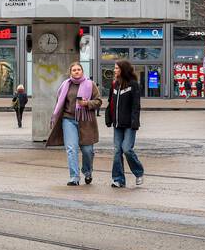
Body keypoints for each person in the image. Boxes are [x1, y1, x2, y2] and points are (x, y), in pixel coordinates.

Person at [46, 62, 102, 186]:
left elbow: (98, 101)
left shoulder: (90, 84)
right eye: (74, 70)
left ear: (82, 71)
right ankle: (74, 177)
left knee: (88, 151)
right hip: (68, 119)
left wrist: (87, 103)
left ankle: (87, 172)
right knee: (71, 149)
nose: (76, 71)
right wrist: (56, 116)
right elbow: (59, 102)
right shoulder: (65, 85)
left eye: (79, 69)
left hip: (86, 121)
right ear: (70, 72)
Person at [105, 60, 144, 189]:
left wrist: (135, 122)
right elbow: (110, 102)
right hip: (117, 124)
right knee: (117, 151)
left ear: (123, 69)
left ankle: (139, 172)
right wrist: (108, 118)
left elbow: (136, 106)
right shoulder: (114, 84)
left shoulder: (133, 85)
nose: (114, 70)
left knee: (126, 149)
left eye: (116, 68)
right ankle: (118, 179)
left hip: (129, 124)